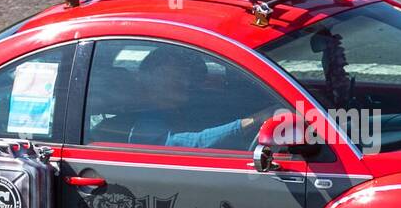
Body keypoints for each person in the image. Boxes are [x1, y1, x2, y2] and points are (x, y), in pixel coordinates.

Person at [90, 46, 278, 149]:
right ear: (151, 77)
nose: (187, 82)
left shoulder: (186, 109)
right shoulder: (138, 123)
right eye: (177, 76)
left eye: (189, 76)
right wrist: (255, 120)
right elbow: (187, 144)